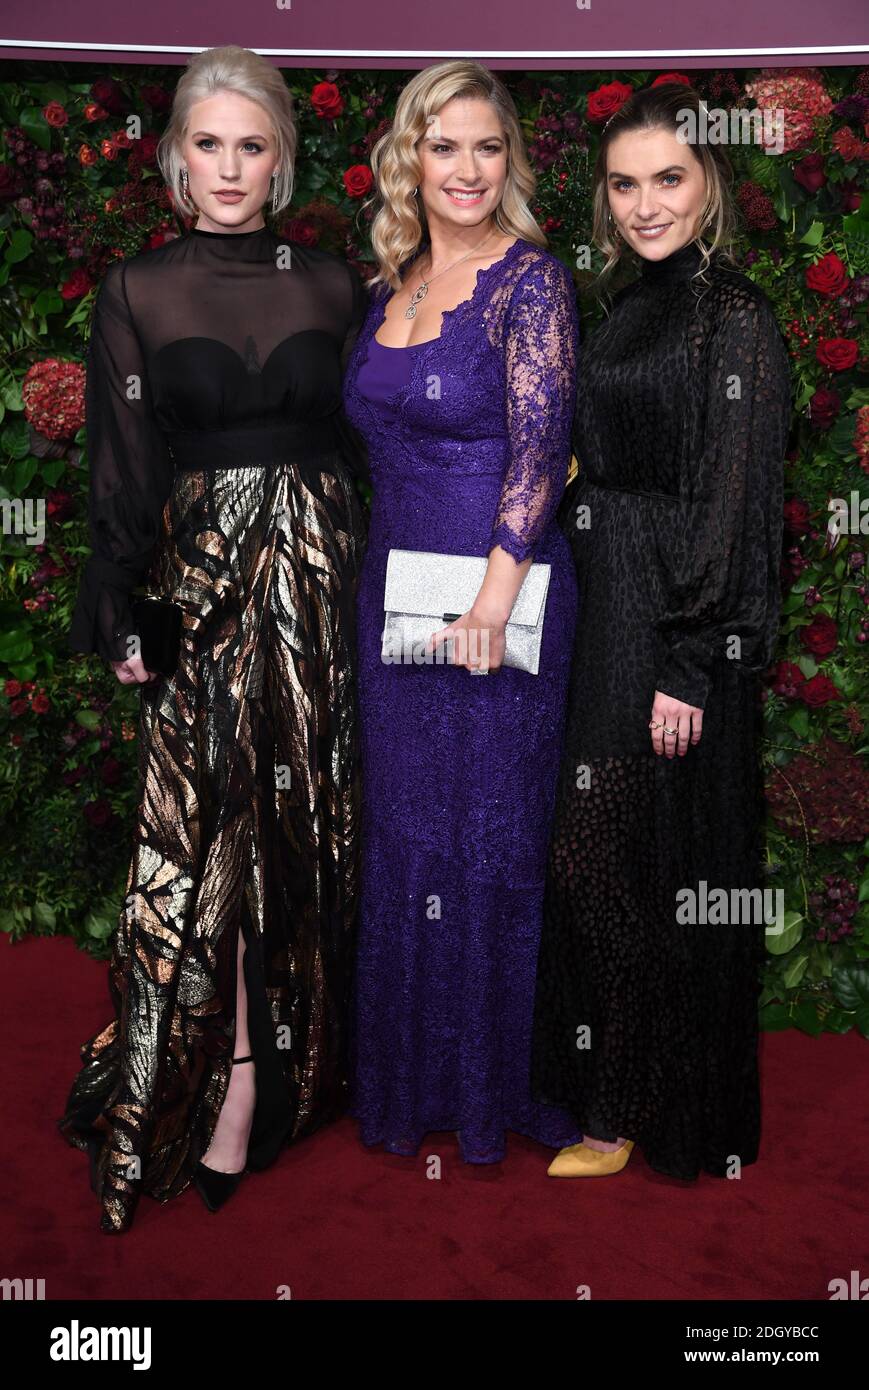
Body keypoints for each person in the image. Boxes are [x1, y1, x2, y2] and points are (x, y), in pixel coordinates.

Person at [58, 45, 368, 1233]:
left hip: (320, 578)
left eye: (252, 145)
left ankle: (288, 1059)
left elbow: (372, 443)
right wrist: (125, 597)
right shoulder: (135, 291)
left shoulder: (334, 284)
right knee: (205, 826)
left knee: (297, 824)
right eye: (208, 144)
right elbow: (123, 466)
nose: (229, 168)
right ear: (175, 158)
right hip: (197, 582)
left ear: (279, 158)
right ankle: (228, 1065)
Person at [531, 83, 793, 1179]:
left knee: (614, 862)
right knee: (607, 860)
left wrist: (692, 659)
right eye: (624, 182)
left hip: (671, 619)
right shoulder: (621, 299)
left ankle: (633, 1106)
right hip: (602, 603)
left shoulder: (732, 317)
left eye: (668, 179)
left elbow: (735, 505)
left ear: (710, 184)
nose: (644, 204)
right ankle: (609, 1082)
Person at [342, 60, 582, 1163]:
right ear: (410, 159)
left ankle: (484, 1092)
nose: (468, 169)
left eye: (488, 147)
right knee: (406, 831)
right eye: (444, 146)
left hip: (499, 594)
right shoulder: (387, 282)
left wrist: (493, 596)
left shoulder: (529, 281)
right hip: (394, 596)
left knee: (489, 833)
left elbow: (541, 444)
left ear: (509, 161)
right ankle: (407, 1083)